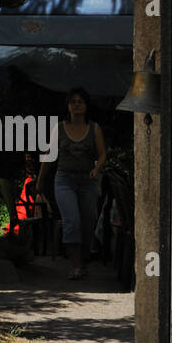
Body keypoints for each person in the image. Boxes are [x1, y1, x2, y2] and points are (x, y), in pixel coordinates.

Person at [39, 87, 107, 279]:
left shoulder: (94, 128)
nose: (76, 105)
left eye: (80, 102)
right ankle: (76, 265)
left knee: (87, 223)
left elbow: (102, 155)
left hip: (87, 180)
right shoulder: (58, 128)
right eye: (73, 102)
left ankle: (84, 261)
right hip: (64, 180)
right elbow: (49, 155)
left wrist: (96, 169)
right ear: (68, 106)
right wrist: (40, 179)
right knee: (71, 221)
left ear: (86, 106)